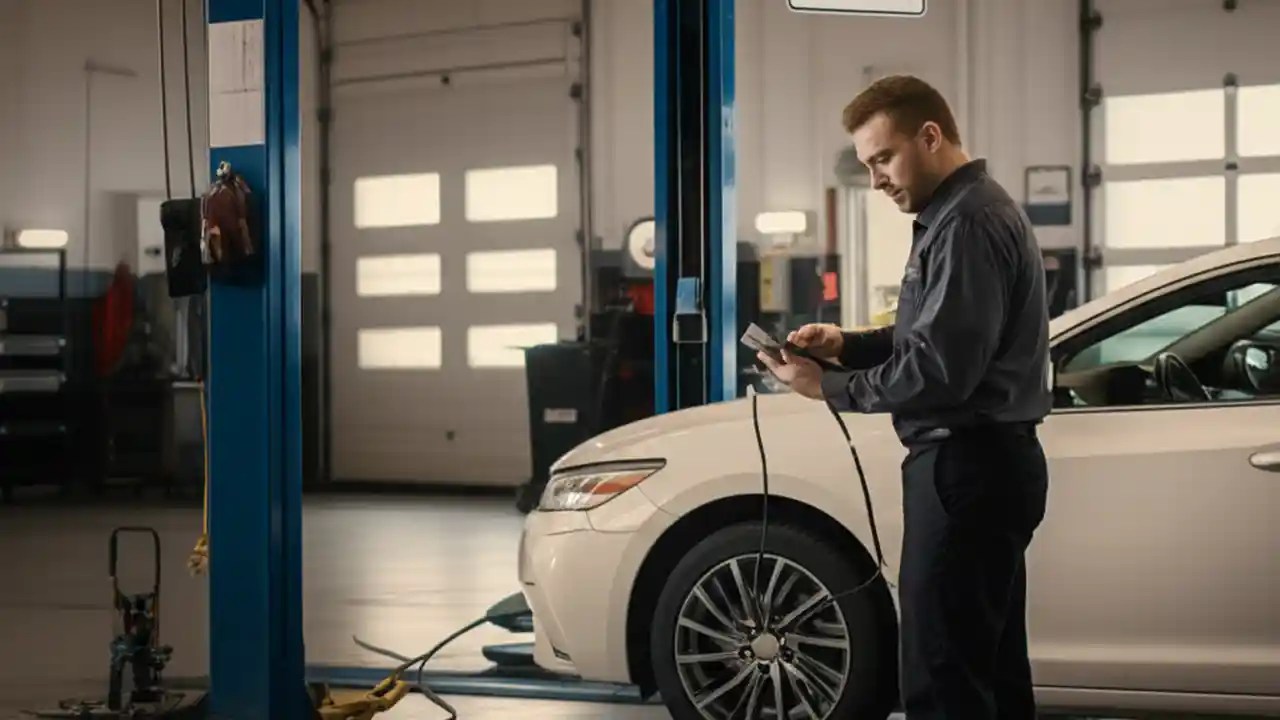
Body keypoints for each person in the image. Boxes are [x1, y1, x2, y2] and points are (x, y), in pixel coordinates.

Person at [756, 74, 1052, 720]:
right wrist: (847, 344)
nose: (877, 180)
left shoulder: (967, 224)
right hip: (985, 467)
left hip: (964, 469)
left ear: (930, 135)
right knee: (990, 672)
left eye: (883, 159)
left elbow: (941, 372)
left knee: (943, 678)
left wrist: (826, 386)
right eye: (866, 167)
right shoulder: (960, 215)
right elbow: (927, 336)